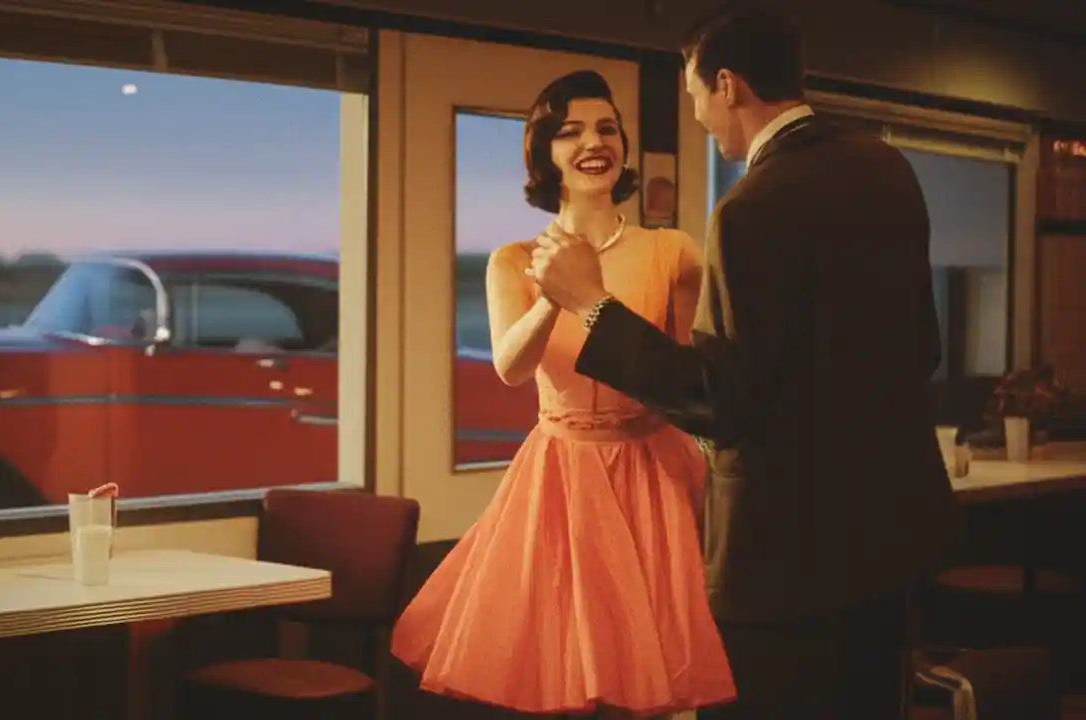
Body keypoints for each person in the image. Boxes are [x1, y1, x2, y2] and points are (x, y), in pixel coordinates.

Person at [530, 5, 960, 719]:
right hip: (890, 543)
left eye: (695, 94)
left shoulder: (751, 208)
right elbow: (924, 348)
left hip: (783, 566)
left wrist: (592, 307)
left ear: (727, 84)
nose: (698, 115)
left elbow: (723, 399)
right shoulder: (887, 169)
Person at [391, 70, 737, 719]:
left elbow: (686, 373)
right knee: (563, 669)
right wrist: (555, 293)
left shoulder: (673, 250)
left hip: (654, 473)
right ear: (545, 152)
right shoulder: (513, 258)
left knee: (664, 682)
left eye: (607, 128)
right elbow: (510, 367)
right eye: (571, 131)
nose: (593, 142)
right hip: (561, 477)